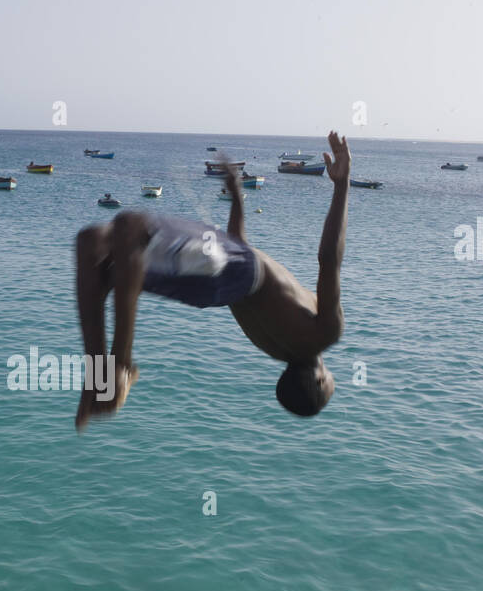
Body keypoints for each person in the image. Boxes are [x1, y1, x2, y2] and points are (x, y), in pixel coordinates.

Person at [74, 130, 350, 426]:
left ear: (321, 382)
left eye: (333, 387)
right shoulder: (270, 343)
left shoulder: (325, 334)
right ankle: (98, 380)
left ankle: (119, 365)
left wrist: (342, 185)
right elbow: (238, 263)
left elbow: (328, 260)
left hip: (227, 273)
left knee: (128, 227)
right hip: (211, 286)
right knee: (94, 246)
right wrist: (237, 203)